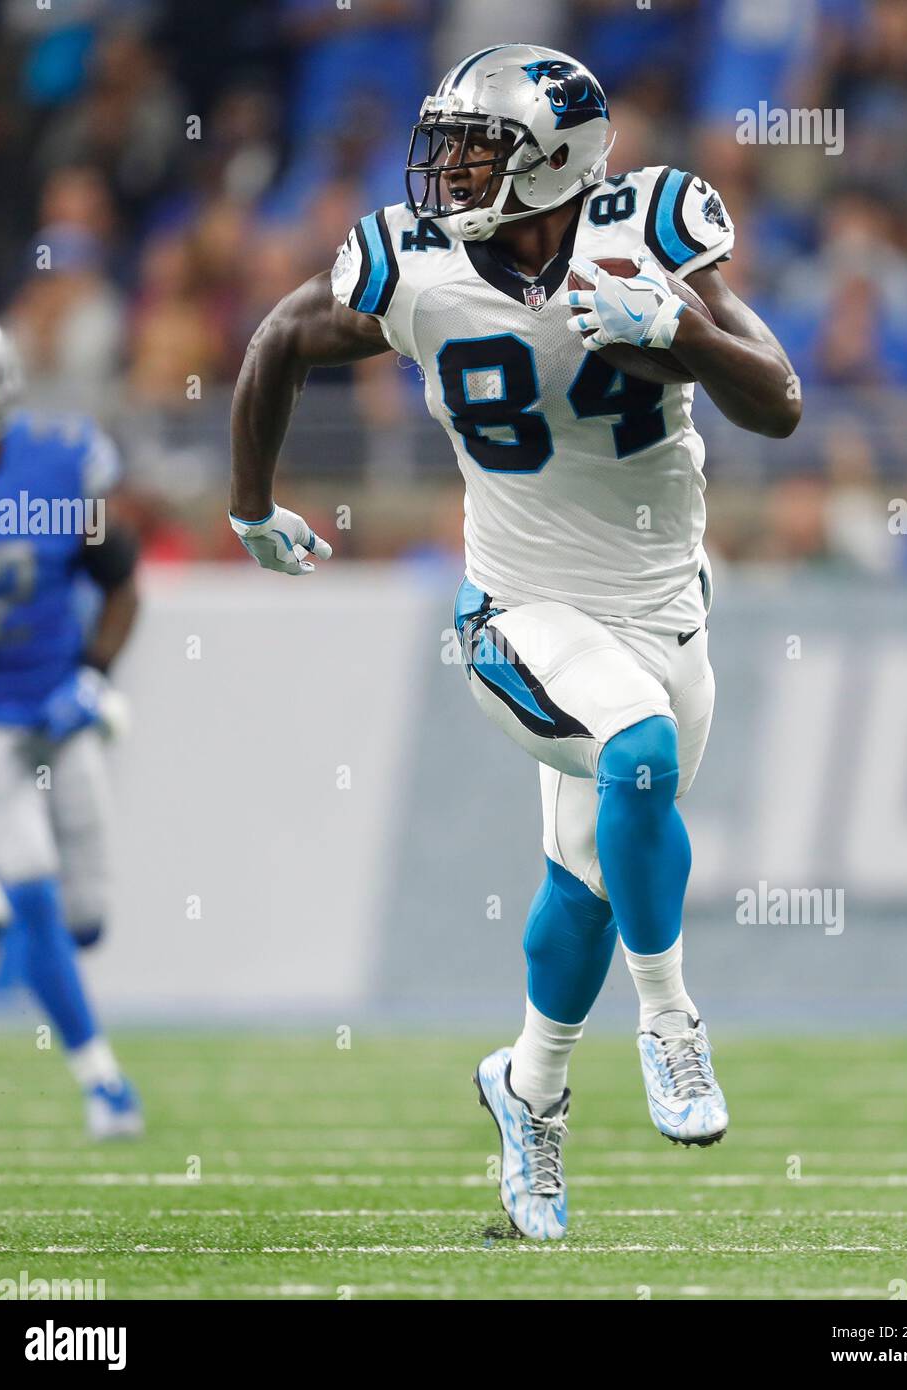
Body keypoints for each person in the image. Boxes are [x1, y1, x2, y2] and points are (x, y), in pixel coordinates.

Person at [228, 45, 800, 1239]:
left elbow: (779, 401)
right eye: (448, 145)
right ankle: (674, 1026)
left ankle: (528, 1089)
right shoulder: (417, 264)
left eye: (477, 149)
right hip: (517, 609)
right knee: (636, 756)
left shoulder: (650, 228)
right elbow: (280, 336)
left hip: (667, 607)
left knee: (591, 877)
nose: (448, 170)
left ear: (555, 163)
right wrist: (250, 505)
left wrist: (681, 332)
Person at [0, 312, 142, 1139]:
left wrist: (92, 675)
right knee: (39, 897)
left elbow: (120, 581)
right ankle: (104, 1085)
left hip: (57, 708)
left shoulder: (54, 466)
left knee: (87, 919)